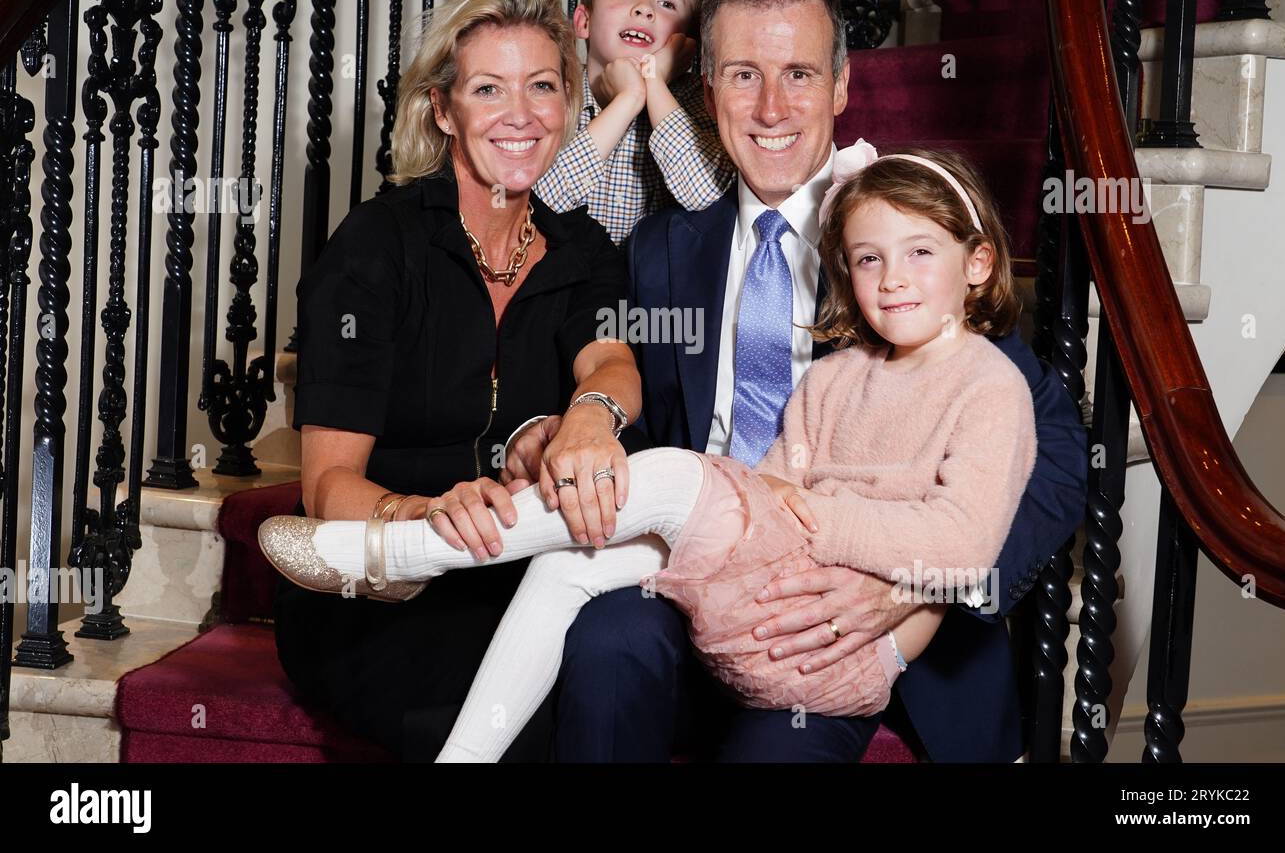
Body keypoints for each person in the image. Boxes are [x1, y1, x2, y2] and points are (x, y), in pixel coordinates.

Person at [258, 141, 1038, 765]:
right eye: (869, 258)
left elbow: (966, 544)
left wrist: (814, 522)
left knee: (671, 473)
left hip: (836, 652)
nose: (891, 279)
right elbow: (774, 485)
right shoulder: (836, 376)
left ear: (977, 265)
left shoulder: (989, 385)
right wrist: (772, 512)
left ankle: (412, 547)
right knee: (570, 562)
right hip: (764, 602)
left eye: (920, 254)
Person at [508, 0, 1088, 762]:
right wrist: (565, 431)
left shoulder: (907, 249)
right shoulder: (660, 249)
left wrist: (913, 580)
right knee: (607, 644)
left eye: (800, 74)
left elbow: (1055, 454)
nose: (772, 107)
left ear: (843, 86)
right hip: (690, 571)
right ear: (707, 93)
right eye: (744, 75)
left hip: (842, 604)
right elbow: (630, 416)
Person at [271, 0, 641, 762]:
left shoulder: (582, 247)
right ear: (442, 110)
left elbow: (610, 356)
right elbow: (328, 485)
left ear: (569, 100)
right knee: (503, 718)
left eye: (543, 85)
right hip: (390, 589)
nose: (521, 114)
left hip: (526, 570)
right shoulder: (376, 248)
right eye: (488, 88)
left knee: (610, 683)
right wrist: (424, 513)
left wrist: (587, 416)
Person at [534, 0, 735, 247]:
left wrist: (653, 82)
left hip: (657, 294)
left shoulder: (697, 102)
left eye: (668, 3)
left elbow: (704, 194)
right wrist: (628, 100)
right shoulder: (555, 96)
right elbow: (537, 205)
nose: (644, 8)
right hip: (565, 285)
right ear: (584, 22)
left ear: (687, 41)